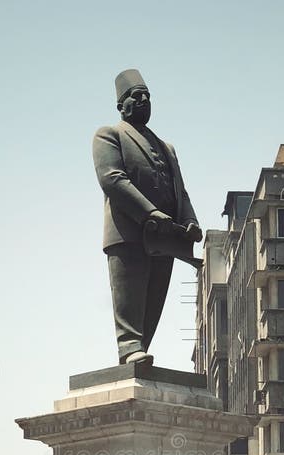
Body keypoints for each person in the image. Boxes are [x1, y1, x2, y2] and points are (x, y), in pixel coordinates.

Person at [93, 69, 201, 365]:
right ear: (121, 105)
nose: (143, 100)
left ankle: (138, 354)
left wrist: (190, 221)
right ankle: (129, 347)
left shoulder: (167, 148)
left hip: (165, 238)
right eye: (136, 96)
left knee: (153, 303)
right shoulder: (109, 135)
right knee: (130, 298)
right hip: (128, 233)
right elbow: (112, 179)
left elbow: (180, 190)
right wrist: (150, 212)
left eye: (147, 96)